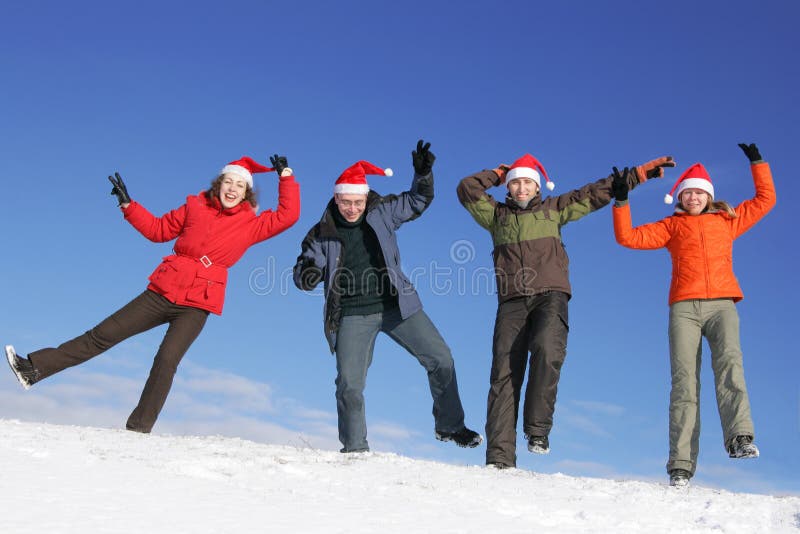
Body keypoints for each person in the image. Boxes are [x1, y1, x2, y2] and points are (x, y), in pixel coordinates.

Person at [5, 154, 301, 433]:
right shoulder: (194, 207)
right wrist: (129, 206)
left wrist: (285, 178)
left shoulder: (251, 223)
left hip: (197, 303)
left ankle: (139, 428)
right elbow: (158, 230)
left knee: (166, 360)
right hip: (163, 289)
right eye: (228, 182)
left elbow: (289, 215)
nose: (232, 189)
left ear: (246, 192)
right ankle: (33, 368)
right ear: (219, 184)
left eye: (240, 185)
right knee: (103, 334)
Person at [457, 153, 675, 469]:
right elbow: (467, 189)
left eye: (527, 183)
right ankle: (499, 458)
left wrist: (637, 175)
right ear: (508, 185)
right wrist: (497, 171)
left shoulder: (553, 210)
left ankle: (537, 431)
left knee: (548, 350)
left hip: (551, 296)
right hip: (512, 302)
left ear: (537, 187)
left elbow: (594, 193)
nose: (521, 188)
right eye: (516, 182)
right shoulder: (496, 216)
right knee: (503, 375)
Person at [293, 140, 481, 453]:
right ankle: (354, 449)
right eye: (346, 203)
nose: (352, 209)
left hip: (397, 305)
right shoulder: (321, 232)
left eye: (358, 202)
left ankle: (450, 425)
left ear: (366, 198)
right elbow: (302, 269)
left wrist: (423, 175)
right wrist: (308, 274)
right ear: (336, 199)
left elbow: (418, 200)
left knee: (441, 359)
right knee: (349, 384)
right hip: (353, 313)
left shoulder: (382, 211)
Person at [612, 143, 775, 487]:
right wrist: (622, 201)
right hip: (684, 308)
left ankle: (740, 438)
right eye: (689, 193)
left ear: (709, 196)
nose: (694, 198)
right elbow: (627, 237)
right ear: (681, 198)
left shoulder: (727, 221)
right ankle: (681, 465)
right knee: (684, 384)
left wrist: (758, 163)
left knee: (730, 366)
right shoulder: (672, 227)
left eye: (700, 193)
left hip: (722, 306)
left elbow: (765, 200)